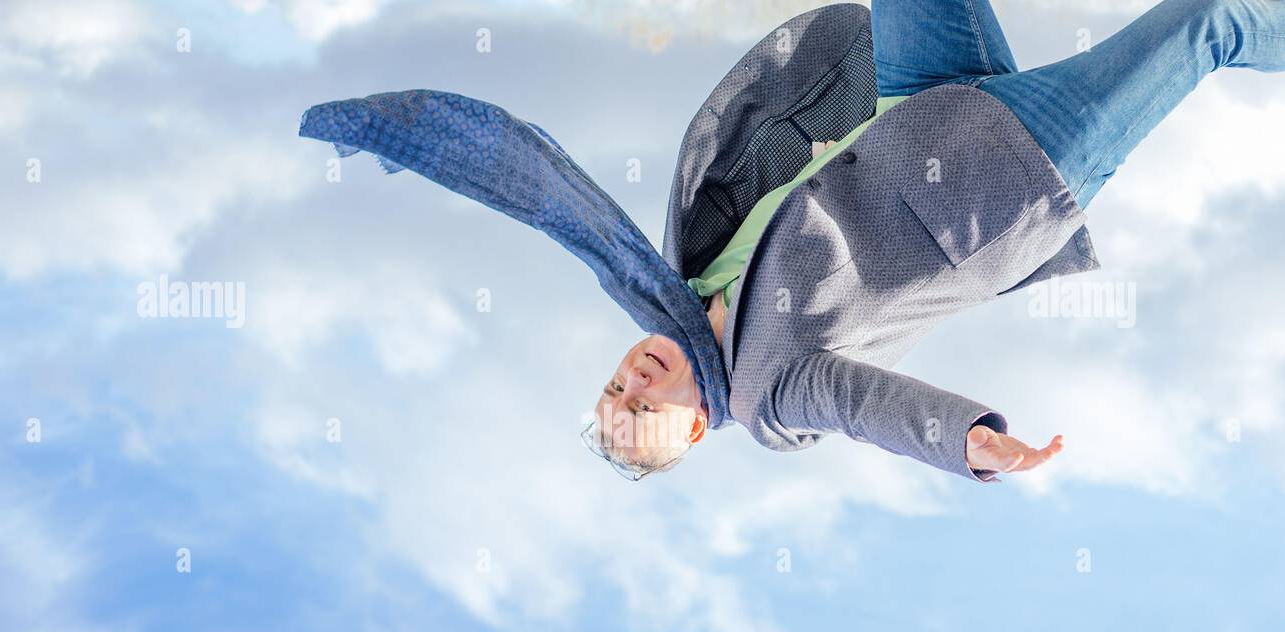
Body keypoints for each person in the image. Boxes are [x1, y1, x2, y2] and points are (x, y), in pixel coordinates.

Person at [300, 1, 1285, 484]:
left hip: (921, 99)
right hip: (1009, 176)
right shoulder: (772, 395)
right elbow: (863, 407)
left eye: (611, 389)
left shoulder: (677, 274)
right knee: (1212, 20)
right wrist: (970, 444)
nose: (629, 385)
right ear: (693, 427)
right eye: (641, 411)